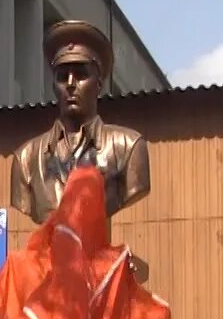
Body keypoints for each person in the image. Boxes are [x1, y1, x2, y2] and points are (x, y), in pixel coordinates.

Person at [10, 19, 151, 225]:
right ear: (53, 86)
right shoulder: (26, 158)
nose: (70, 84)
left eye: (81, 74)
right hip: (47, 256)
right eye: (61, 76)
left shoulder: (128, 147)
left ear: (99, 83)